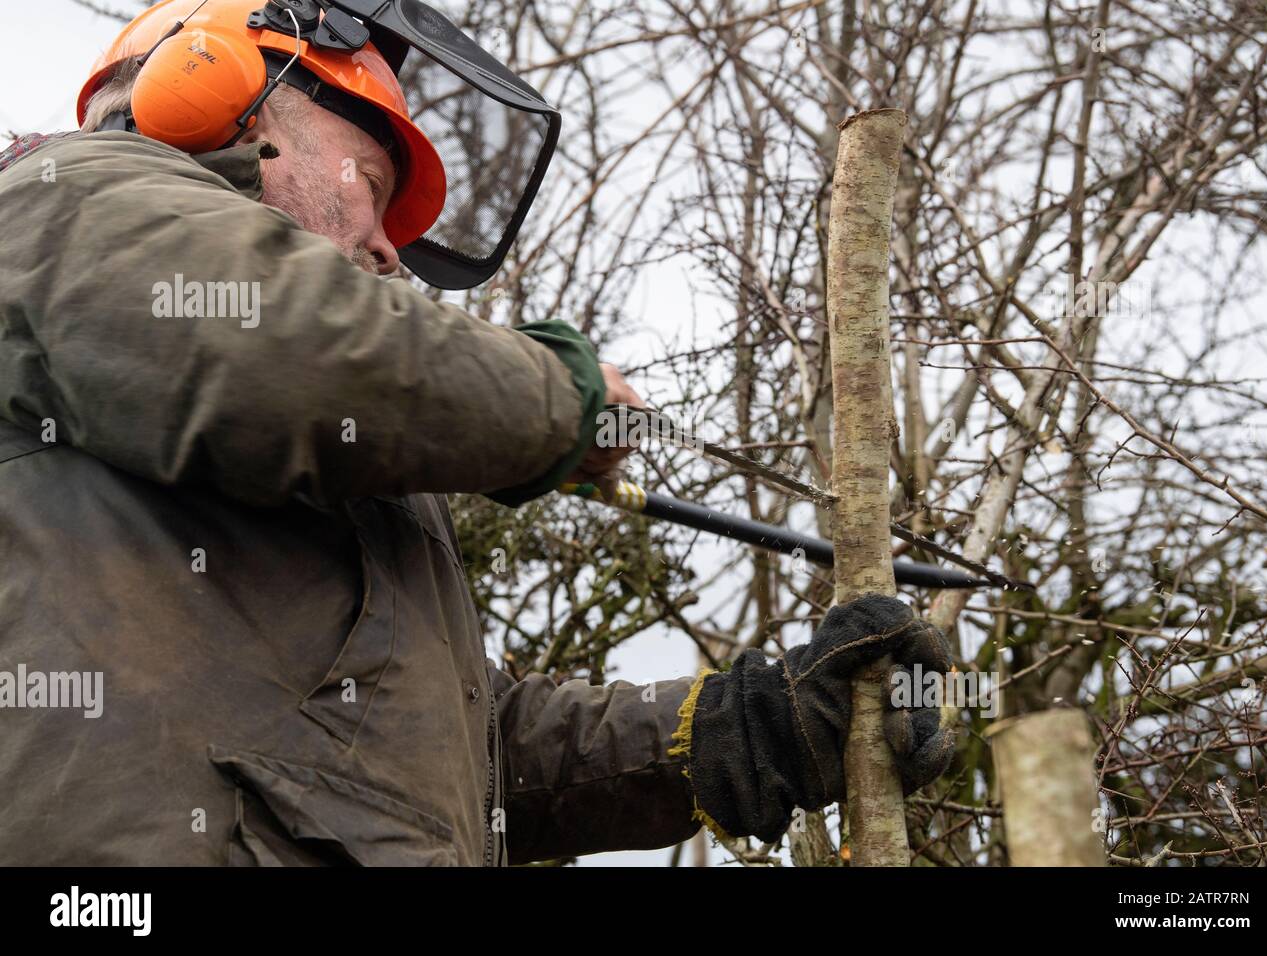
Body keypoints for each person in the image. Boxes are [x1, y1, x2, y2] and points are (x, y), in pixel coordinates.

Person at [0, 0, 954, 865]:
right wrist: (562, 398)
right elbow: (284, 349)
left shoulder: (344, 466)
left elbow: (466, 756)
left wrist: (756, 729)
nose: (386, 250)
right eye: (371, 185)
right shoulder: (64, 199)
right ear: (220, 97)